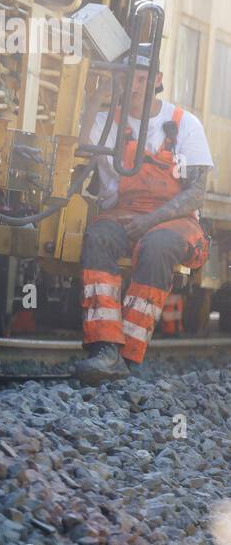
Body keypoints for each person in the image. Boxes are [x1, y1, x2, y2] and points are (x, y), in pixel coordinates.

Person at [74, 60, 214, 383]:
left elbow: (196, 193)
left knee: (156, 245)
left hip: (177, 220)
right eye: (126, 79)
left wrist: (151, 219)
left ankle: (129, 356)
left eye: (140, 79)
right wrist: (95, 99)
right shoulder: (106, 122)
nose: (132, 86)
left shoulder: (184, 124)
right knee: (98, 237)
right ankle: (104, 349)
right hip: (122, 212)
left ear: (157, 80)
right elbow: (80, 147)